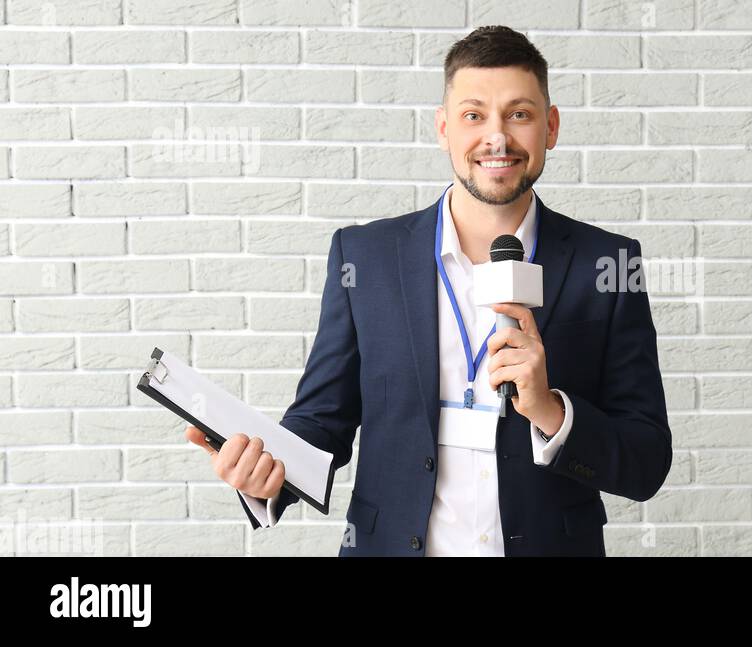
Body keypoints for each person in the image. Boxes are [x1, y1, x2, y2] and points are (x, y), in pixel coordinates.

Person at [185, 25, 672, 556]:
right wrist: (268, 476)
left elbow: (645, 461)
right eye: (473, 115)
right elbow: (322, 420)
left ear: (550, 127)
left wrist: (550, 408)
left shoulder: (609, 263)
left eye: (519, 114)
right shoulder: (364, 257)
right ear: (443, 129)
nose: (497, 137)